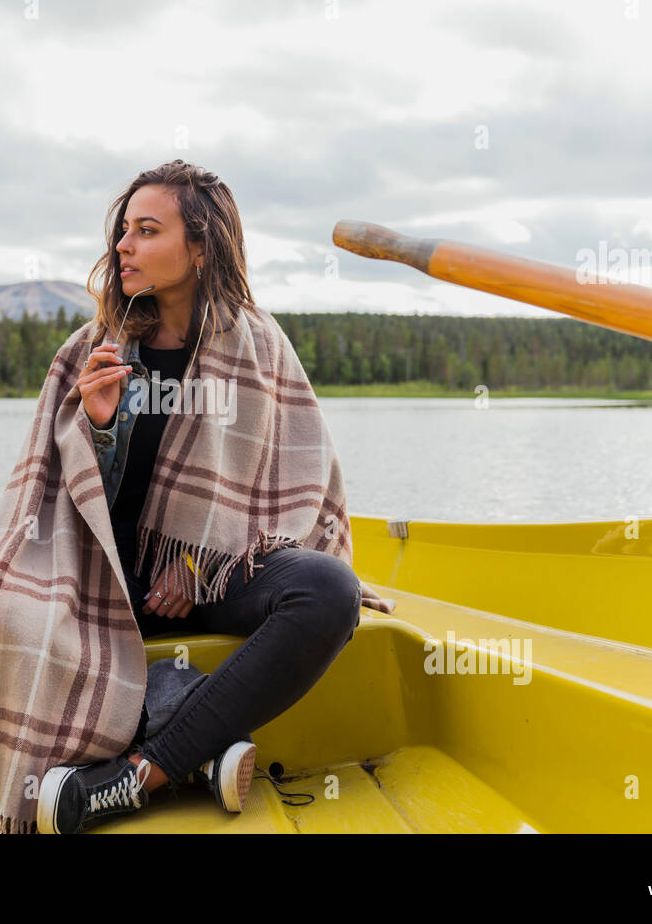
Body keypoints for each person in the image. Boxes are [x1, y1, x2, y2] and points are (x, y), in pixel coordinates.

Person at [34, 159, 395, 834]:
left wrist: (202, 563)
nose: (123, 246)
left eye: (146, 230)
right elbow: (70, 507)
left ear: (198, 248)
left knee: (328, 591)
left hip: (216, 573)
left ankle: (138, 778)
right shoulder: (94, 347)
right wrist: (103, 429)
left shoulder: (259, 345)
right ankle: (204, 745)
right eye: (123, 231)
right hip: (115, 576)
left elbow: (298, 488)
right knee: (8, 609)